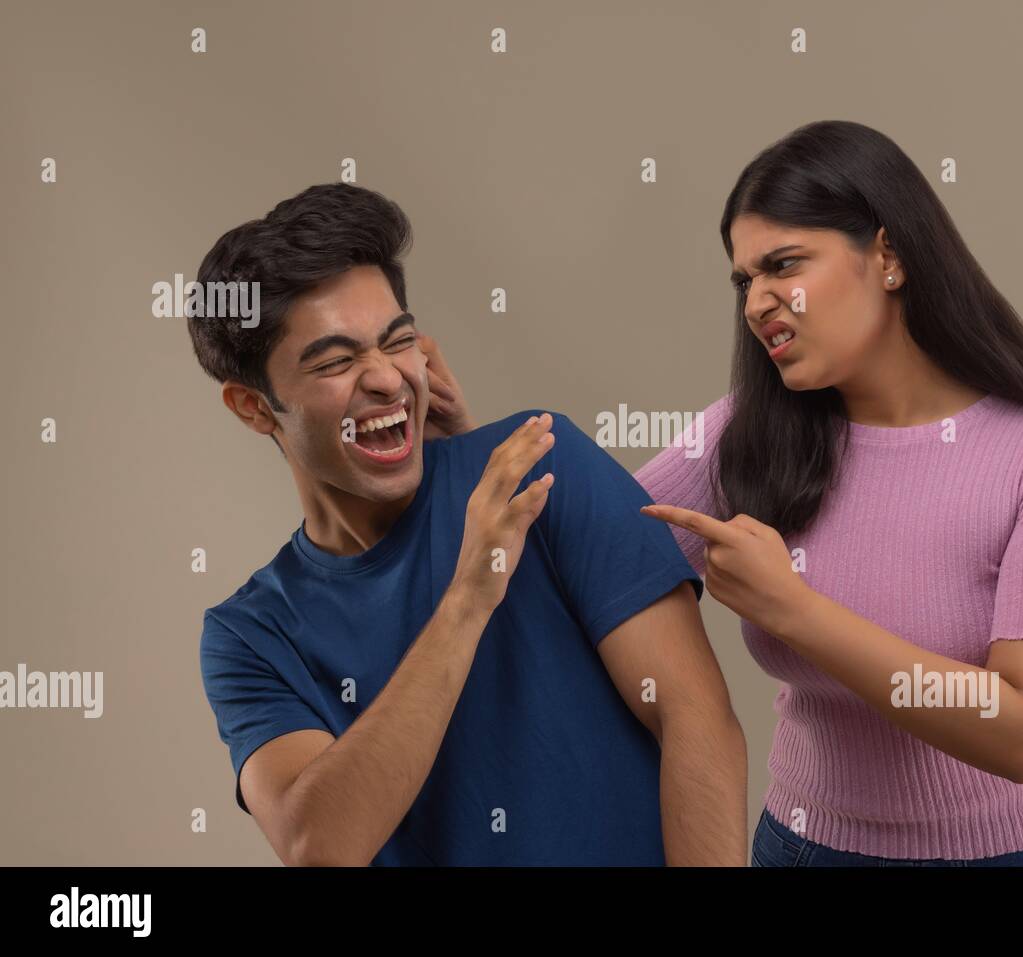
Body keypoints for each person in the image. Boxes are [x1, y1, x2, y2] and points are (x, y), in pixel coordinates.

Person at [190, 183, 747, 866]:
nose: (387, 380)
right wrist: (467, 598)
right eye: (336, 361)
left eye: (397, 342)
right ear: (253, 407)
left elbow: (697, 718)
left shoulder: (543, 463)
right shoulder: (249, 635)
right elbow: (321, 844)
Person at [634, 120, 1023, 866]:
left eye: (783, 264)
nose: (758, 301)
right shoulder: (749, 431)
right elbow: (590, 557)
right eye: (744, 280)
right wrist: (475, 452)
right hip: (800, 848)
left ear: (888, 256)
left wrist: (796, 611)